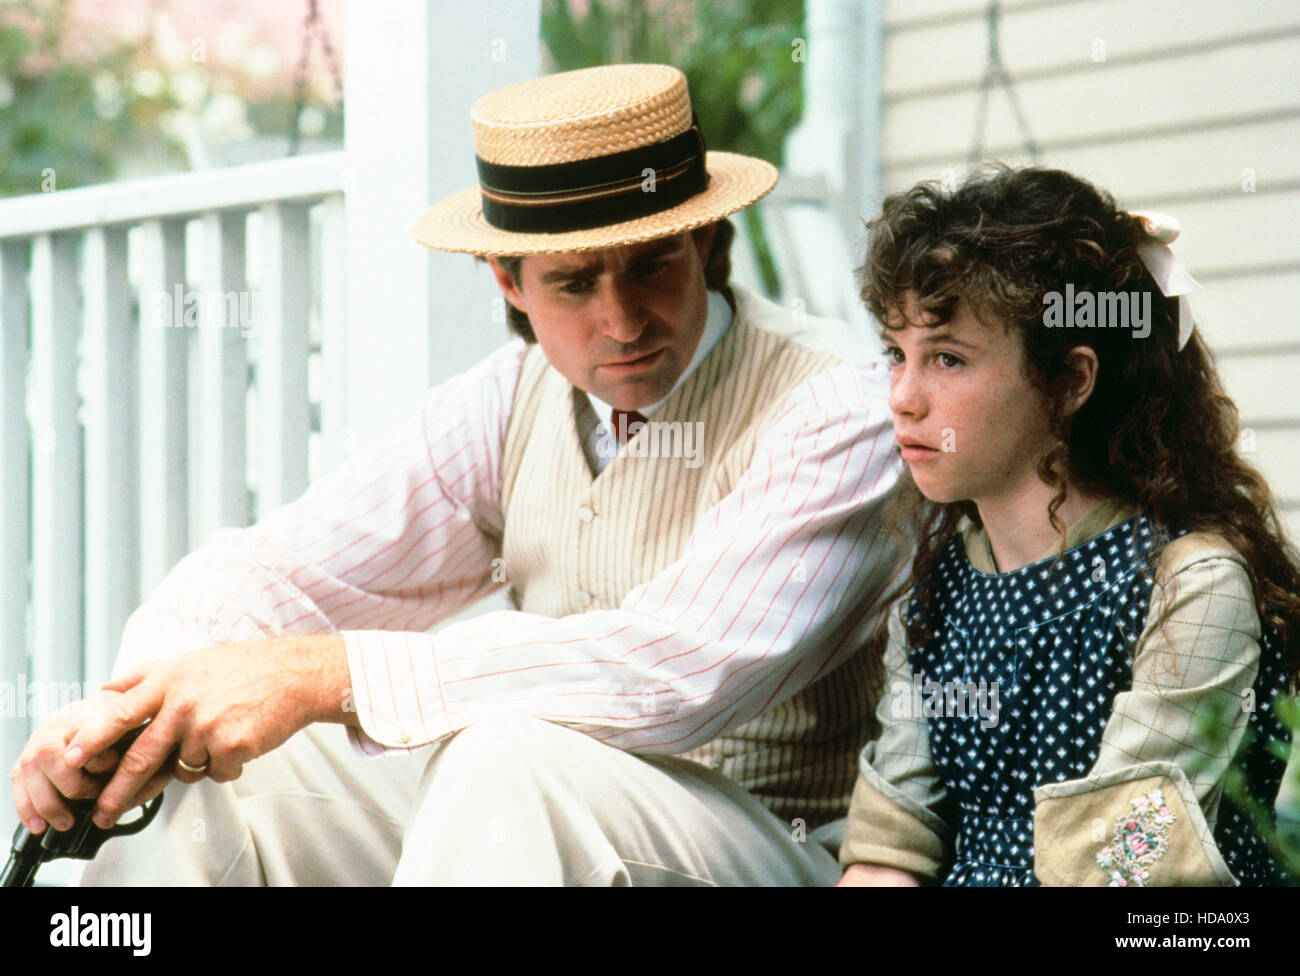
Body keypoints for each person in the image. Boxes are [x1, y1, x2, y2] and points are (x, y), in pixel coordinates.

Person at [10, 64, 906, 885]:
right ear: (509, 282)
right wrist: (130, 719)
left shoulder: (838, 404)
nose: (622, 319)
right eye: (572, 282)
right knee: (227, 769)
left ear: (708, 239)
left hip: (775, 848)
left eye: (651, 264)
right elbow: (282, 569)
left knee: (501, 757)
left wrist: (328, 675)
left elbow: (675, 670)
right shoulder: (508, 401)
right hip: (547, 825)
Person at [837, 165, 1297, 887]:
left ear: (1070, 381)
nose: (903, 397)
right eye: (898, 354)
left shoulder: (1189, 588)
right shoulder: (938, 594)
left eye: (948, 358)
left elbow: (1121, 869)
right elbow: (892, 847)